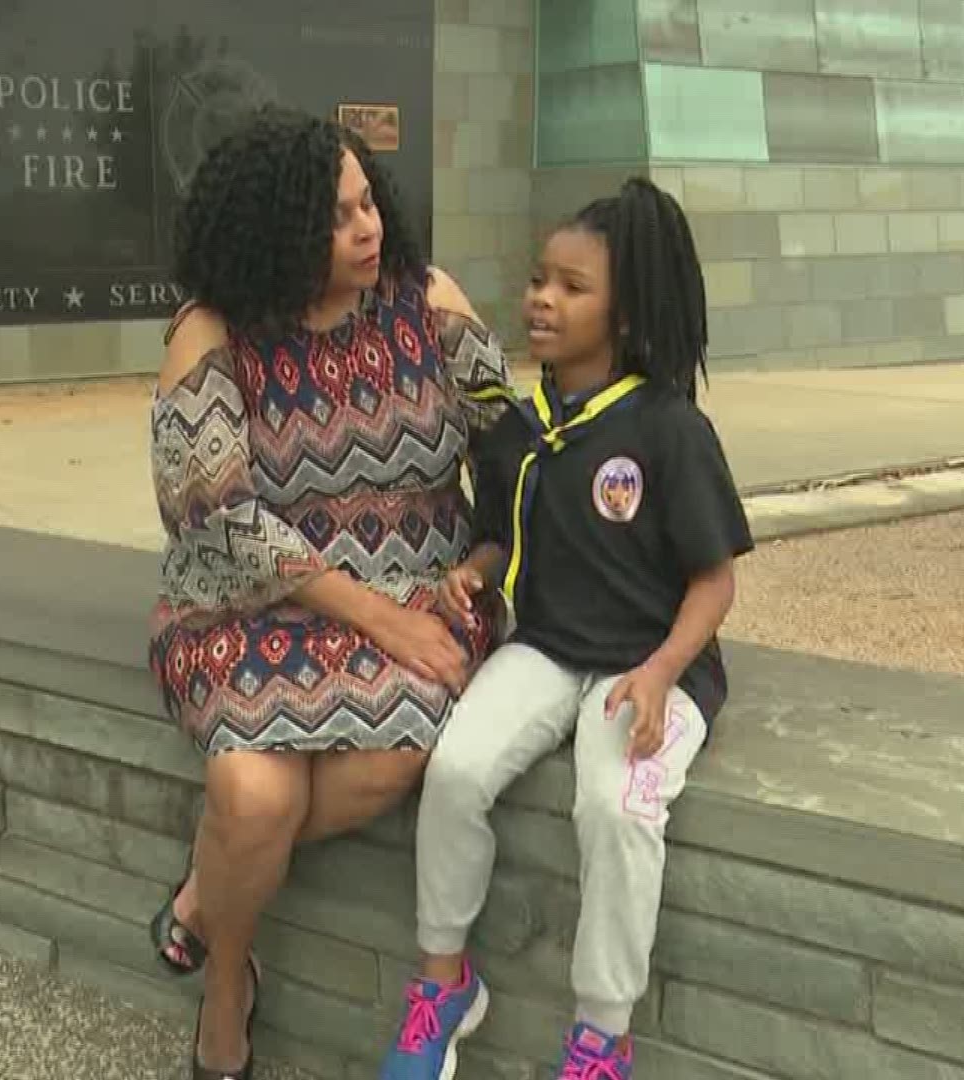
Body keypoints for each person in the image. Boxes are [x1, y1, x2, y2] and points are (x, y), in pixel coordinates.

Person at [145, 107, 514, 1080]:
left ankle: (205, 896)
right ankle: (229, 990)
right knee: (251, 788)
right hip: (250, 608)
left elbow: (515, 460)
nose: (367, 228)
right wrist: (373, 614)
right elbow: (216, 518)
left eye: (366, 203)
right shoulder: (211, 333)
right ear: (272, 233)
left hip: (423, 591)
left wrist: (475, 570)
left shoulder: (430, 304)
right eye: (335, 218)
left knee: (389, 759)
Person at [376, 177, 755, 1080]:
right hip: (547, 649)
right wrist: (473, 574)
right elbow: (504, 537)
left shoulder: (669, 431)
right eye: (539, 279)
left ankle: (600, 1036)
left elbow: (715, 582)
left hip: (649, 668)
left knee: (616, 807)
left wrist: (661, 672)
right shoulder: (520, 428)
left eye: (572, 288)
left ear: (623, 314)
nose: (542, 299)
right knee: (454, 770)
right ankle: (443, 983)